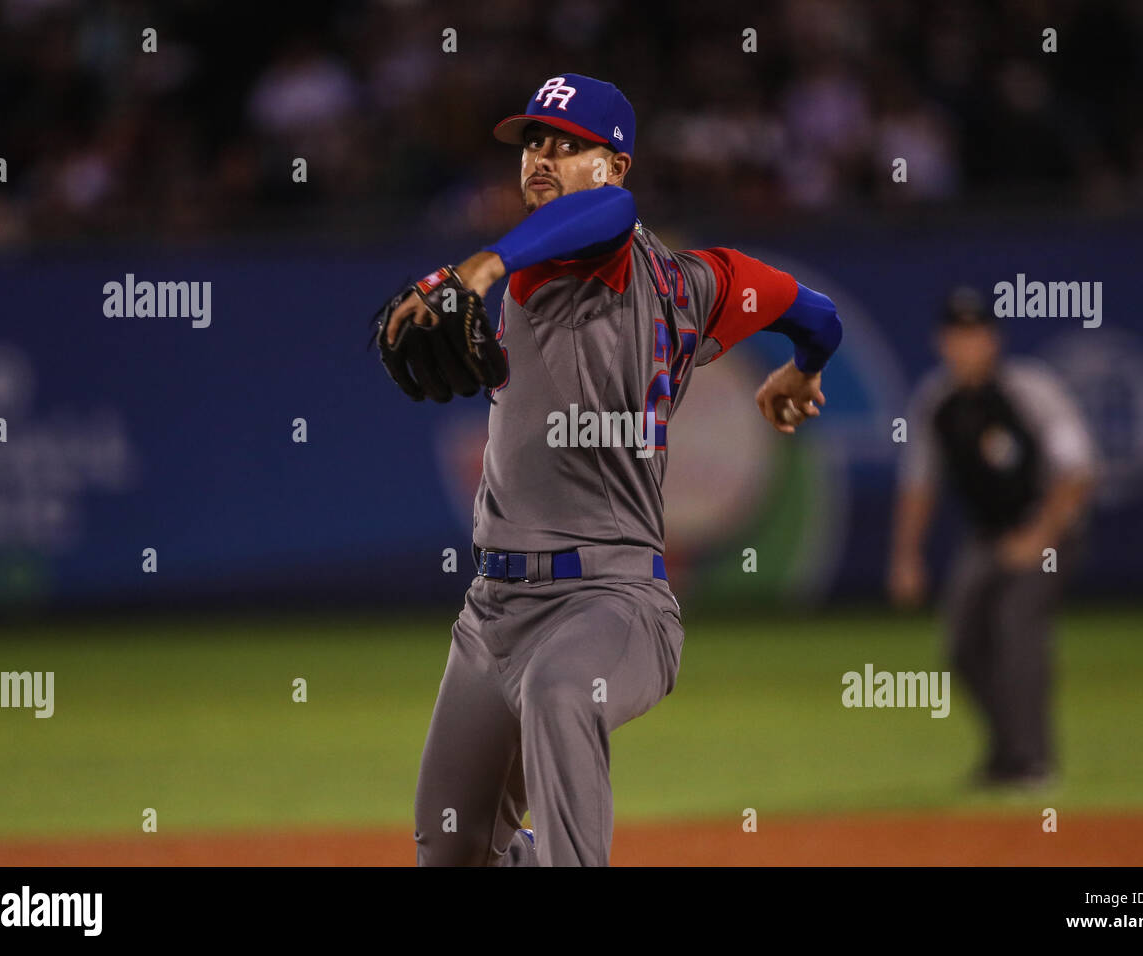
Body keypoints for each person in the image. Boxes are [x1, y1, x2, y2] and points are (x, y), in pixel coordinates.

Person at [383, 74, 843, 865]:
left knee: (563, 695)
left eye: (569, 147)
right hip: (491, 611)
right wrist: (806, 365)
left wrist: (484, 267)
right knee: (452, 850)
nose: (542, 158)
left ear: (618, 166)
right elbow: (817, 313)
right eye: (533, 142)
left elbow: (608, 216)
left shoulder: (592, 247)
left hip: (608, 603)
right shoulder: (707, 281)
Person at [887, 287, 1097, 787]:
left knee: (1015, 627)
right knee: (962, 645)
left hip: (1048, 531)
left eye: (975, 334)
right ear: (942, 342)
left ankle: (1033, 761)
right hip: (987, 538)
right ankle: (1008, 753)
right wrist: (906, 558)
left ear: (993, 340)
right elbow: (919, 486)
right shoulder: (937, 403)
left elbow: (1078, 473)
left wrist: (1039, 536)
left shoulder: (1030, 390)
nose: (965, 345)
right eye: (956, 335)